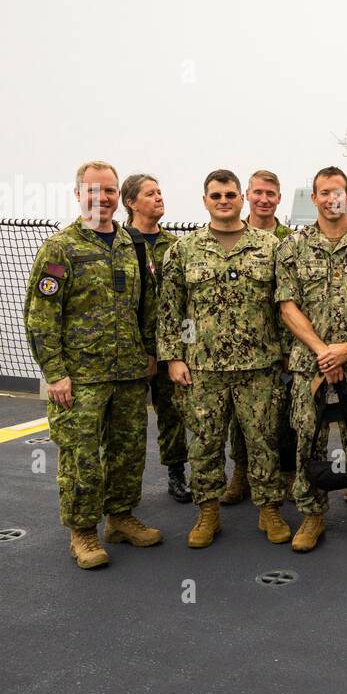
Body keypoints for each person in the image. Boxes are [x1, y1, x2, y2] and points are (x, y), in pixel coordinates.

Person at [24, 160, 162, 569]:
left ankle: (120, 518)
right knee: (81, 457)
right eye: (94, 191)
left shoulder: (131, 244)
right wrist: (55, 373)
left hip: (129, 372)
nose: (102, 198)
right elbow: (40, 316)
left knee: (128, 450)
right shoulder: (61, 248)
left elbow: (148, 306)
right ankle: (83, 532)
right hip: (80, 377)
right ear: (78, 195)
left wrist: (150, 354)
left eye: (110, 191)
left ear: (119, 196)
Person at [158, 169, 289, 549]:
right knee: (204, 443)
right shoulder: (183, 251)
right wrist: (174, 358)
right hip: (204, 368)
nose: (223, 201)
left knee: (263, 440)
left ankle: (269, 508)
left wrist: (283, 355)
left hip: (259, 366)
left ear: (241, 199)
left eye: (230, 195)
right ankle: (208, 512)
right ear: (205, 201)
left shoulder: (270, 248)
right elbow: (172, 310)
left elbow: (282, 305)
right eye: (216, 195)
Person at [276, 166, 347, 551]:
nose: (332, 199)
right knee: (309, 435)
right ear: (313, 198)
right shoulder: (292, 246)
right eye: (324, 192)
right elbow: (287, 305)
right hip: (311, 363)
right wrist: (322, 351)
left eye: (338, 192)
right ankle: (312, 515)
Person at [220, 169, 294, 506]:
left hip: (277, 347)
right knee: (239, 419)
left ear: (278, 198)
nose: (264, 200)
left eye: (271, 194)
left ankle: (288, 475)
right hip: (235, 349)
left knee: (283, 415)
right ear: (248, 195)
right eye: (258, 193)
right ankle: (242, 472)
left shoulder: (290, 241)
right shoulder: (230, 235)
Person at [121, 173, 192, 504]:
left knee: (173, 413)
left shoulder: (174, 246)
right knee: (127, 424)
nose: (159, 197)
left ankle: (176, 474)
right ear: (131, 202)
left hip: (169, 347)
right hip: (128, 349)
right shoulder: (119, 243)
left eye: (160, 192)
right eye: (150, 194)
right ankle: (122, 490)